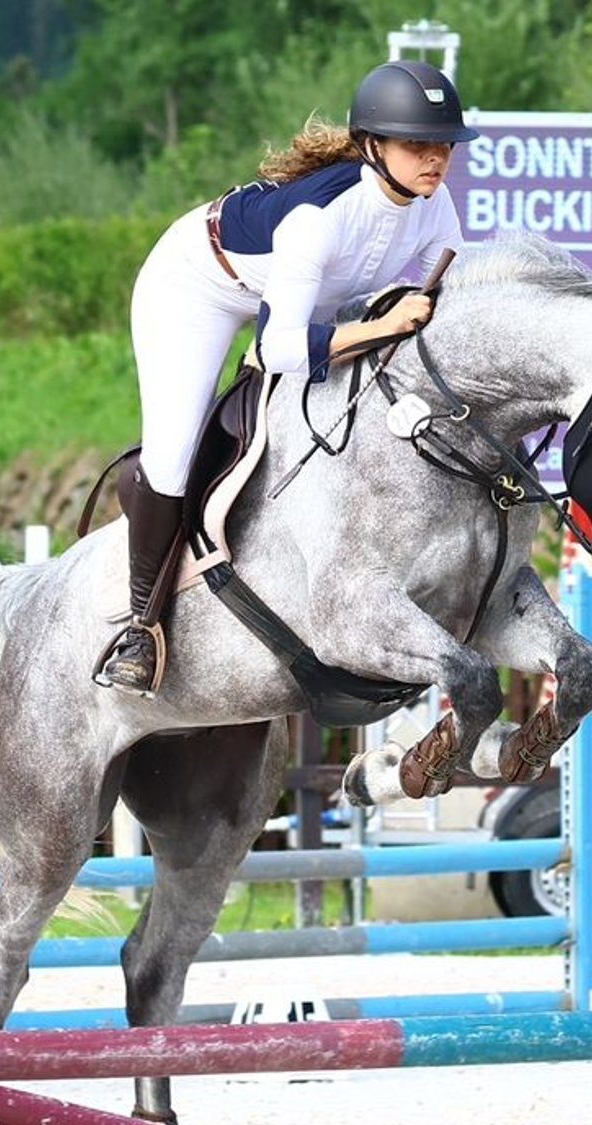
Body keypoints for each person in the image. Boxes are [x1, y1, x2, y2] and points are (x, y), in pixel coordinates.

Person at [93, 59, 478, 695]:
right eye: (417, 145)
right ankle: (141, 627)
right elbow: (277, 349)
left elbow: (456, 294)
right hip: (198, 287)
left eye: (443, 145)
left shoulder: (432, 207)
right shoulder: (319, 217)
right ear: (372, 146)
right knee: (174, 453)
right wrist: (383, 327)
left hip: (309, 299)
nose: (435, 159)